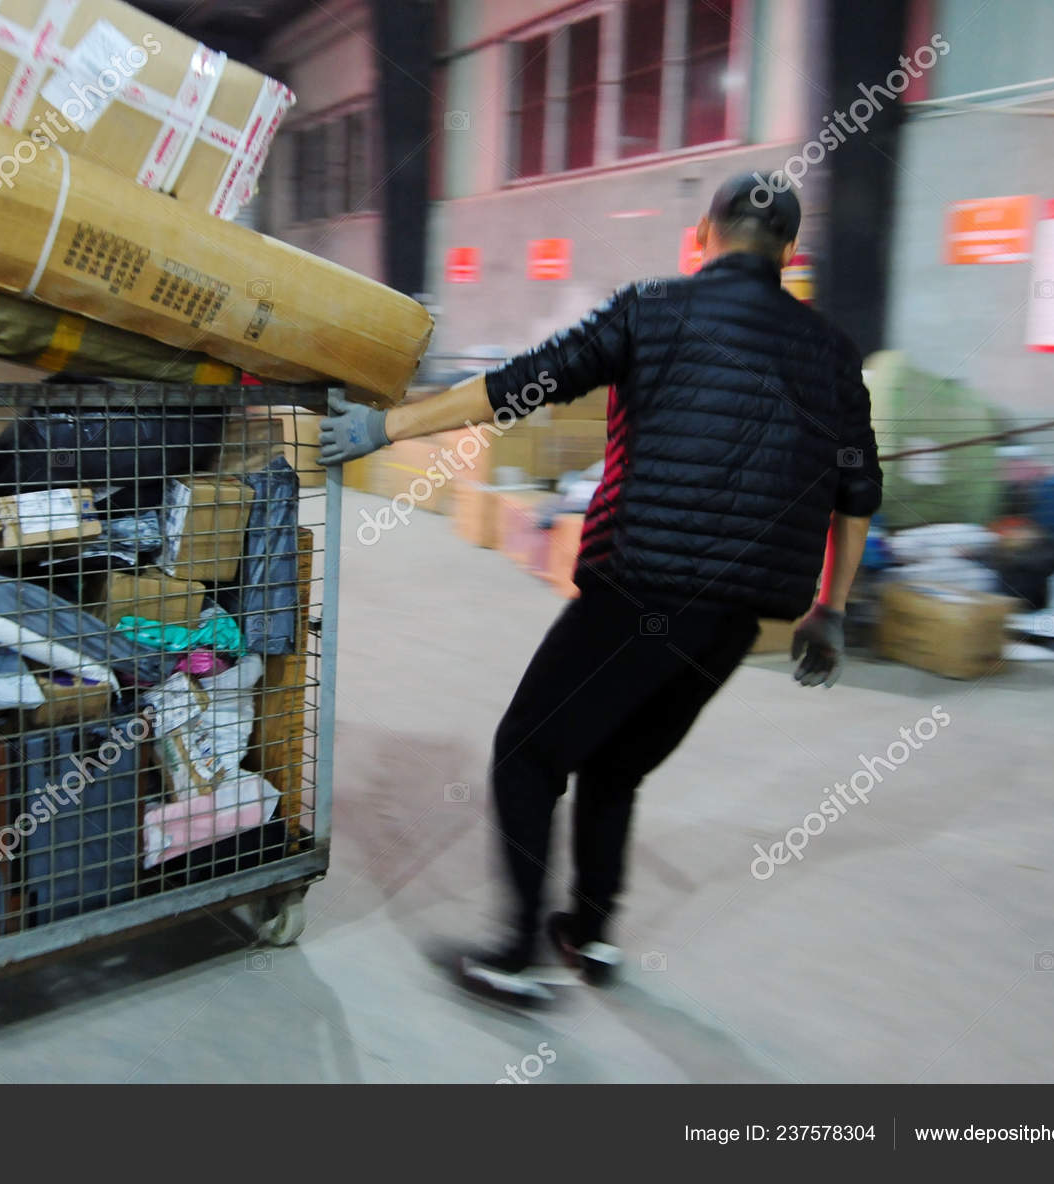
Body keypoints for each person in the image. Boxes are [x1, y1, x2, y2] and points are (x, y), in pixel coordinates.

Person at [317, 172, 883, 1004]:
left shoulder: (652, 309)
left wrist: (384, 426)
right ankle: (589, 933)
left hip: (642, 589)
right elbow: (858, 491)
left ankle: (514, 955)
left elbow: (524, 383)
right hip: (736, 618)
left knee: (526, 753)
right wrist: (830, 611)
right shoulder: (833, 352)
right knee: (617, 763)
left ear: (704, 234)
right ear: (789, 254)